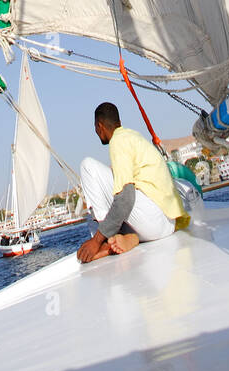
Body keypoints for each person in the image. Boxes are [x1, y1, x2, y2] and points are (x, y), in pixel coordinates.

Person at [76, 102, 190, 264]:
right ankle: (130, 238)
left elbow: (125, 200)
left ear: (99, 126)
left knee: (87, 166)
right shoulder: (132, 136)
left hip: (154, 221)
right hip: (167, 225)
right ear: (118, 122)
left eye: (96, 128)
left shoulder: (118, 141)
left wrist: (95, 242)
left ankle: (105, 241)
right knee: (108, 199)